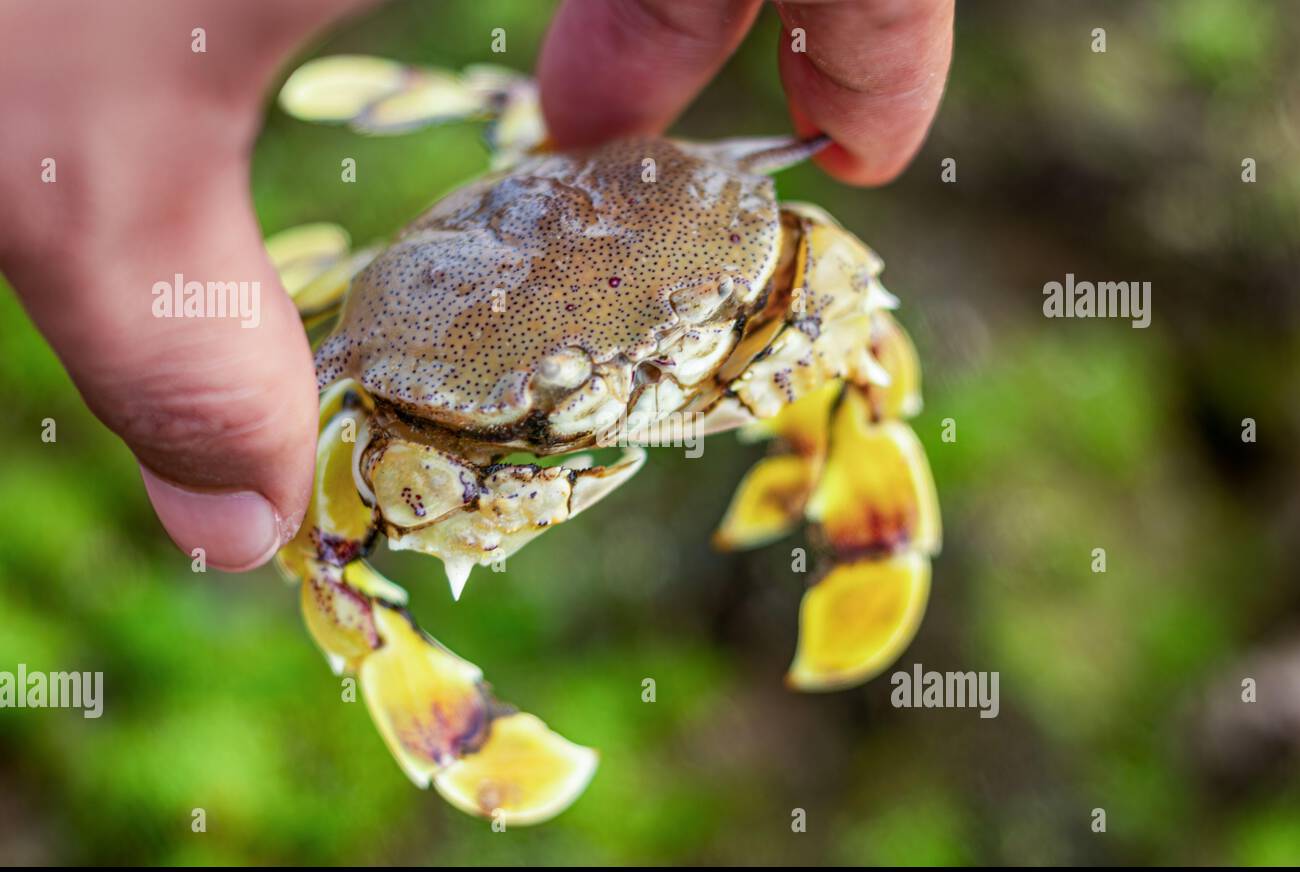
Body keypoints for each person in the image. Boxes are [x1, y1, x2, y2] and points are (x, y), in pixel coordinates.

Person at [0, 0, 953, 570]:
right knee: (330, 543)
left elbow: (827, 289)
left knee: (843, 320)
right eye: (582, 384)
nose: (647, 394)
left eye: (699, 325)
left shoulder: (747, 238)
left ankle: (848, 504)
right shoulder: (386, 374)